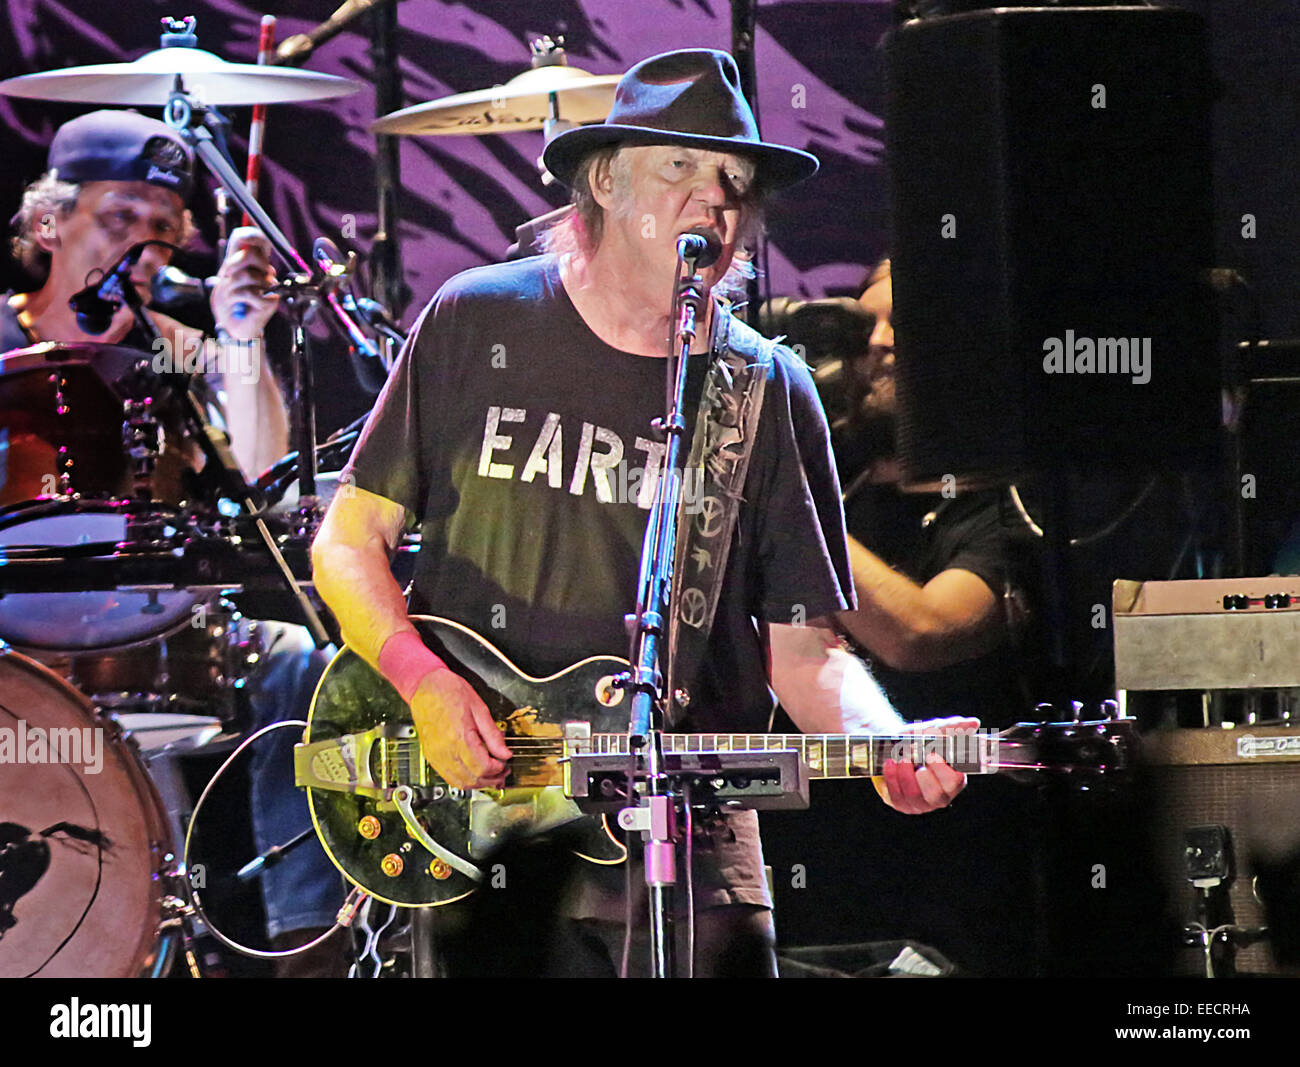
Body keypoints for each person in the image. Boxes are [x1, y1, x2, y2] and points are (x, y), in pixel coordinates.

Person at [312, 50, 971, 978]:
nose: (716, 200)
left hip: (694, 851)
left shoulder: (766, 389)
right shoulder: (477, 321)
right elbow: (347, 539)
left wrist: (884, 740)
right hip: (491, 833)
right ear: (604, 181)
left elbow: (807, 652)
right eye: (681, 167)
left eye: (735, 180)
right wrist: (421, 681)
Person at [2, 110, 344, 975]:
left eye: (161, 234)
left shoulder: (180, 348)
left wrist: (239, 336)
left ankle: (307, 937)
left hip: (165, 626)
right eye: (119, 221)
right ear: (51, 221)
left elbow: (266, 479)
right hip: (14, 628)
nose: (141, 253)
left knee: (306, 660)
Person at [832, 258, 1036, 726]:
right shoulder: (837, 477)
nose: (878, 341)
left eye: (902, 325)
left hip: (960, 784)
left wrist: (793, 514)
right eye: (865, 325)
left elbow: (922, 634)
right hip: (823, 786)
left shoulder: (1009, 500)